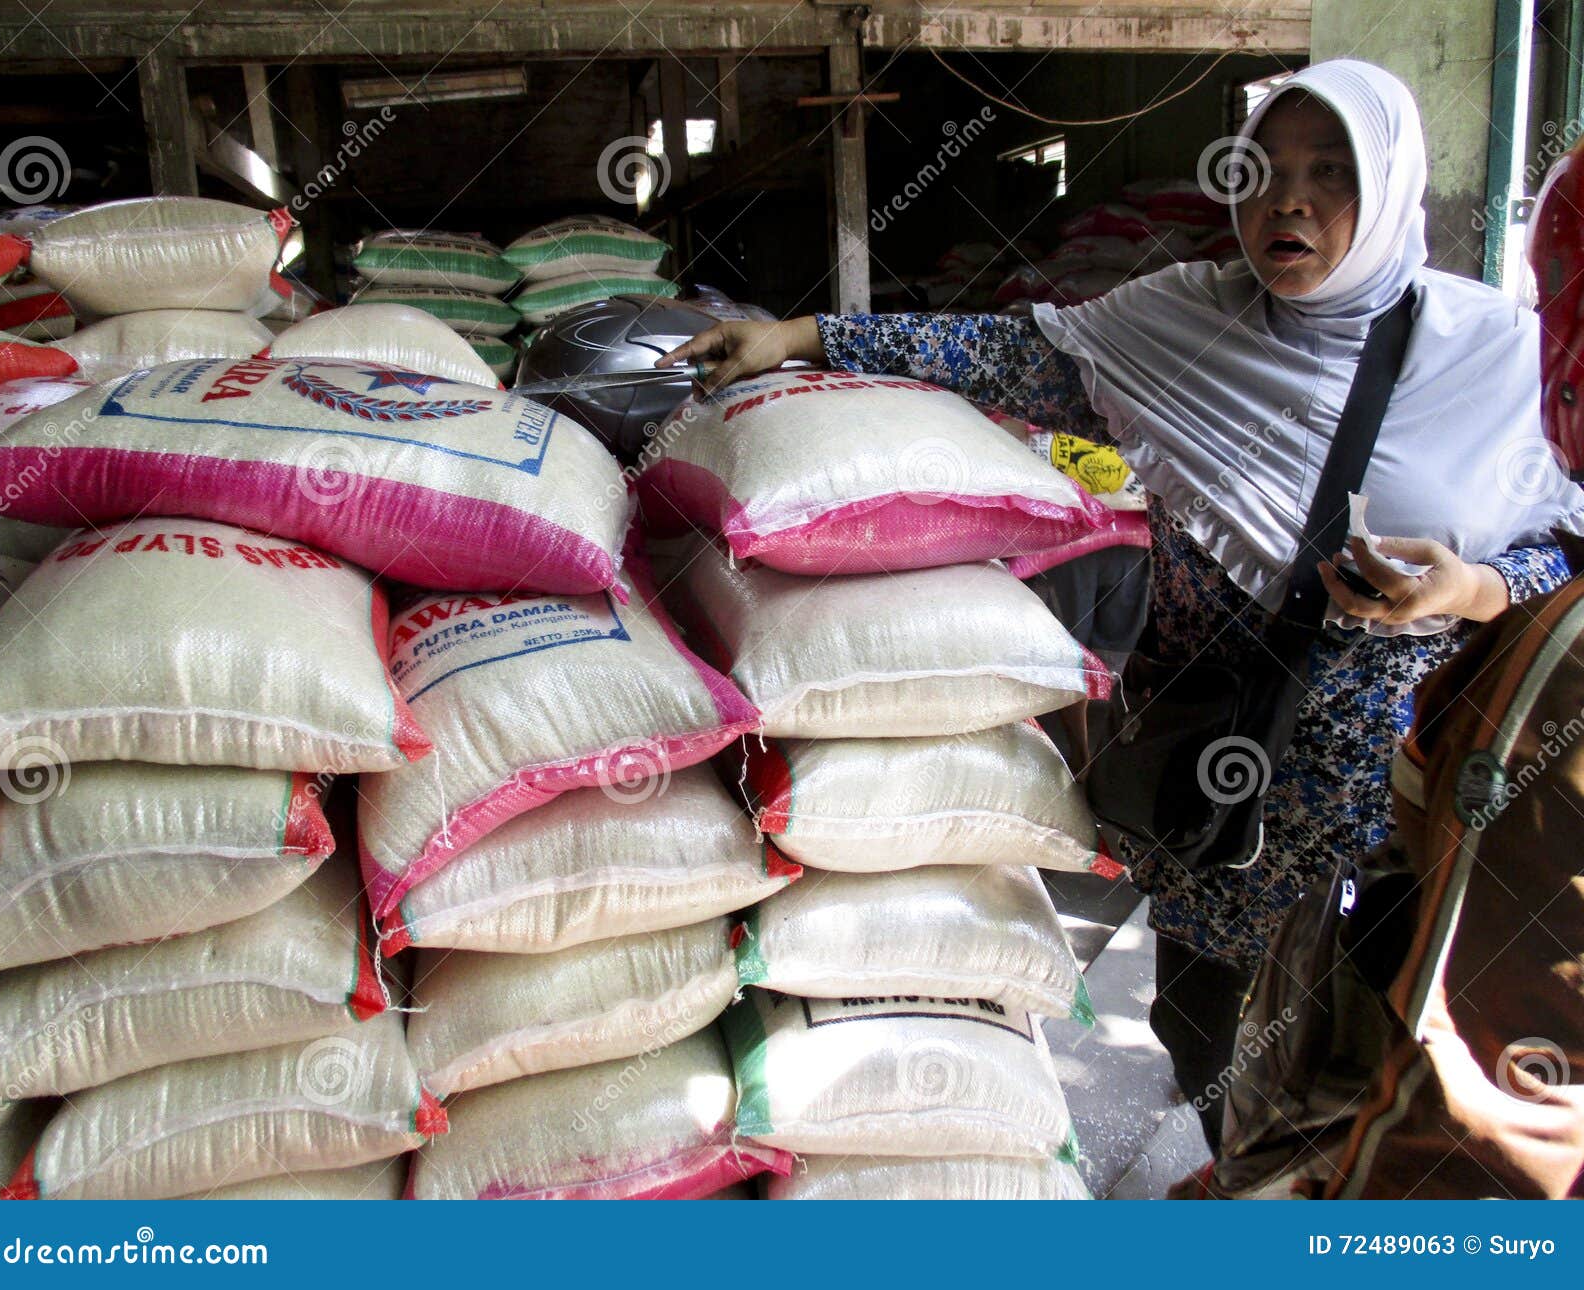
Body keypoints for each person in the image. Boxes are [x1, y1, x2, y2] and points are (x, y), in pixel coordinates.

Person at [661, 59, 1584, 1151]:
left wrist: (1472, 588)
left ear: (1392, 187)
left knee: (1371, 1056)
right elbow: (1007, 351)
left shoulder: (1494, 357)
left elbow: (1564, 556)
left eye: (1330, 173)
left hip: (1389, 801)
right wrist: (801, 338)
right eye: (1262, 171)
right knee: (1210, 1042)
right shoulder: (1181, 323)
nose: (1285, 202)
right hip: (1214, 779)